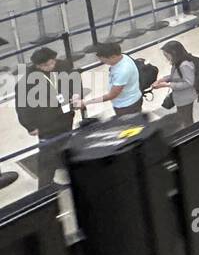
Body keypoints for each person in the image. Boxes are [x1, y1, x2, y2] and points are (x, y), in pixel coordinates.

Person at [15, 47, 77, 188]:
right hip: (46, 123)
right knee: (47, 155)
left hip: (65, 115)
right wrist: (29, 126)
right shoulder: (28, 81)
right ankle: (44, 189)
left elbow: (74, 81)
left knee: (66, 143)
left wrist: (76, 95)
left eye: (51, 63)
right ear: (37, 66)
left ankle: (67, 169)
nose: (50, 67)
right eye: (45, 65)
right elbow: (22, 106)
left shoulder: (63, 66)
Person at [74, 40, 143, 118]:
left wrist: (86, 102)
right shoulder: (123, 57)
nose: (102, 62)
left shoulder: (123, 71)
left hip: (127, 106)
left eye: (103, 60)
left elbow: (111, 95)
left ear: (113, 57)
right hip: (128, 102)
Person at [156, 40, 198, 128]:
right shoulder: (177, 63)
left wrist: (168, 85)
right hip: (181, 98)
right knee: (184, 118)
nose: (166, 58)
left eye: (167, 55)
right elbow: (176, 76)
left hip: (186, 98)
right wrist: (163, 79)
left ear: (174, 53)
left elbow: (188, 83)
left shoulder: (184, 65)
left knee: (187, 120)